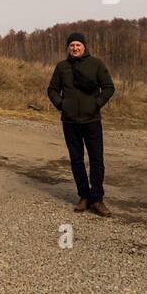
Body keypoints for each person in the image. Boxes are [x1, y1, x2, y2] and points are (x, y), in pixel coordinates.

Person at [47, 32, 115, 216]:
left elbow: (109, 87)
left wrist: (96, 104)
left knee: (96, 160)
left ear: (84, 46)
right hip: (70, 122)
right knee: (76, 161)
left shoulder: (96, 64)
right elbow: (52, 90)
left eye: (78, 45)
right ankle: (84, 197)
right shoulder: (61, 67)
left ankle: (97, 199)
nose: (75, 48)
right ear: (68, 48)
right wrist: (62, 105)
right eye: (72, 46)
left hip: (92, 120)